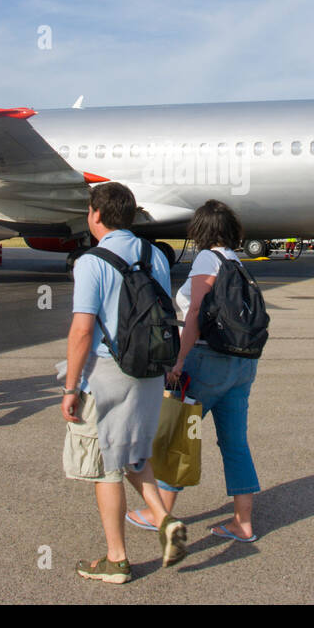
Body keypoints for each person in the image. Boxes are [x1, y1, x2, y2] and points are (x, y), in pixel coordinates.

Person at [62, 181, 187, 584]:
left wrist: (70, 388)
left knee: (105, 469)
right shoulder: (156, 255)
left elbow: (82, 330)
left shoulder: (91, 261)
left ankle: (117, 560)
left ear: (96, 215)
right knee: (132, 452)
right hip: (150, 370)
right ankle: (164, 519)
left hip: (108, 373)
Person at [127, 199, 262, 542]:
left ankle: (160, 513)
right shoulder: (237, 260)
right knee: (235, 443)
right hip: (242, 363)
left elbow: (197, 311)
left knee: (179, 436)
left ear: (201, 230)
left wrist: (180, 360)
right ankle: (242, 522)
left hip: (208, 360)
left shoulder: (208, 258)